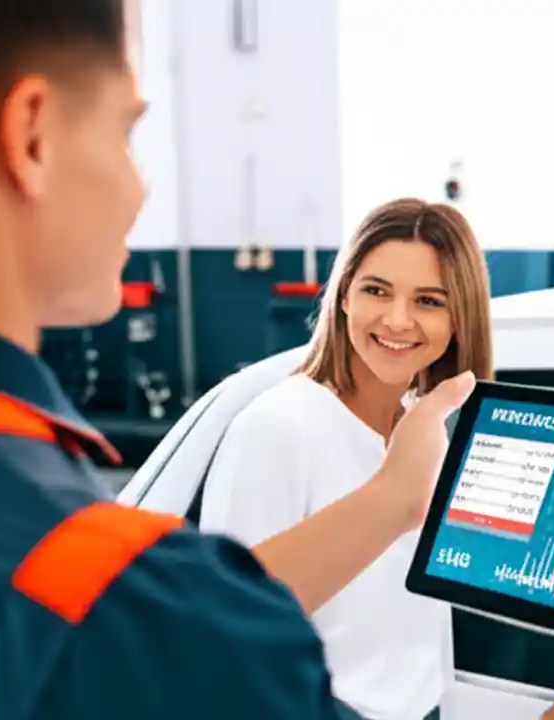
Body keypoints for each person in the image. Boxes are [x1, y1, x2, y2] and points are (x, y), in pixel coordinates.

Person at [0, 2, 554, 718]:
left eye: (430, 299)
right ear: (34, 134)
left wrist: (396, 500)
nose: (141, 185)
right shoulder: (107, 609)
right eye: (129, 132)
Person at [199, 198, 489, 720]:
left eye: (428, 301)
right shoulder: (280, 425)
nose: (398, 320)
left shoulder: (424, 428)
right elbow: (227, 626)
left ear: (458, 317)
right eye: (377, 291)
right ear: (345, 297)